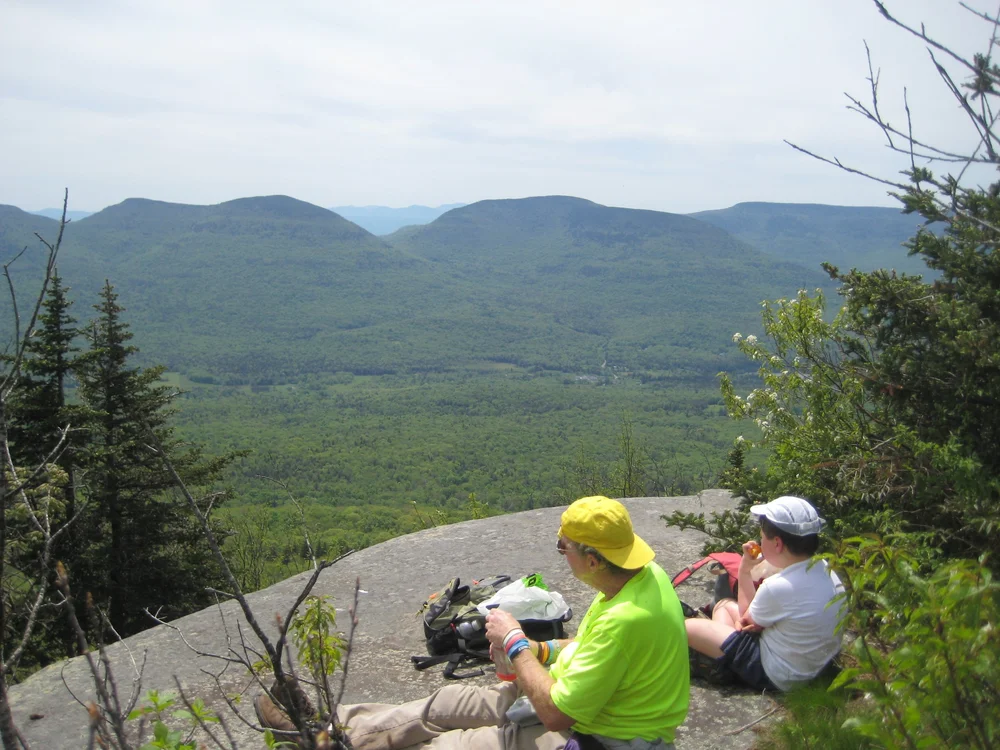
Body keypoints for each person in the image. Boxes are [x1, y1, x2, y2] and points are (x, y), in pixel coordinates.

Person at [257, 495, 689, 749]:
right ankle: (323, 728)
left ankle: (327, 741)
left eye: (565, 547)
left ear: (593, 559)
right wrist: (541, 650)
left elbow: (556, 714)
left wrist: (517, 644)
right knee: (448, 703)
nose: (560, 551)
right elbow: (591, 647)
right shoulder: (642, 576)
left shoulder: (627, 617)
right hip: (584, 703)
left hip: (597, 737)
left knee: (447, 746)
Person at [685, 495, 846, 692]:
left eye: (762, 536)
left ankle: (725, 668)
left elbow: (745, 619)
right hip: (814, 667)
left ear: (777, 543)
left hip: (779, 675)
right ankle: (724, 661)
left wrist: (744, 569)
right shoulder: (825, 569)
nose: (760, 540)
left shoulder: (779, 586)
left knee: (688, 627)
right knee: (724, 605)